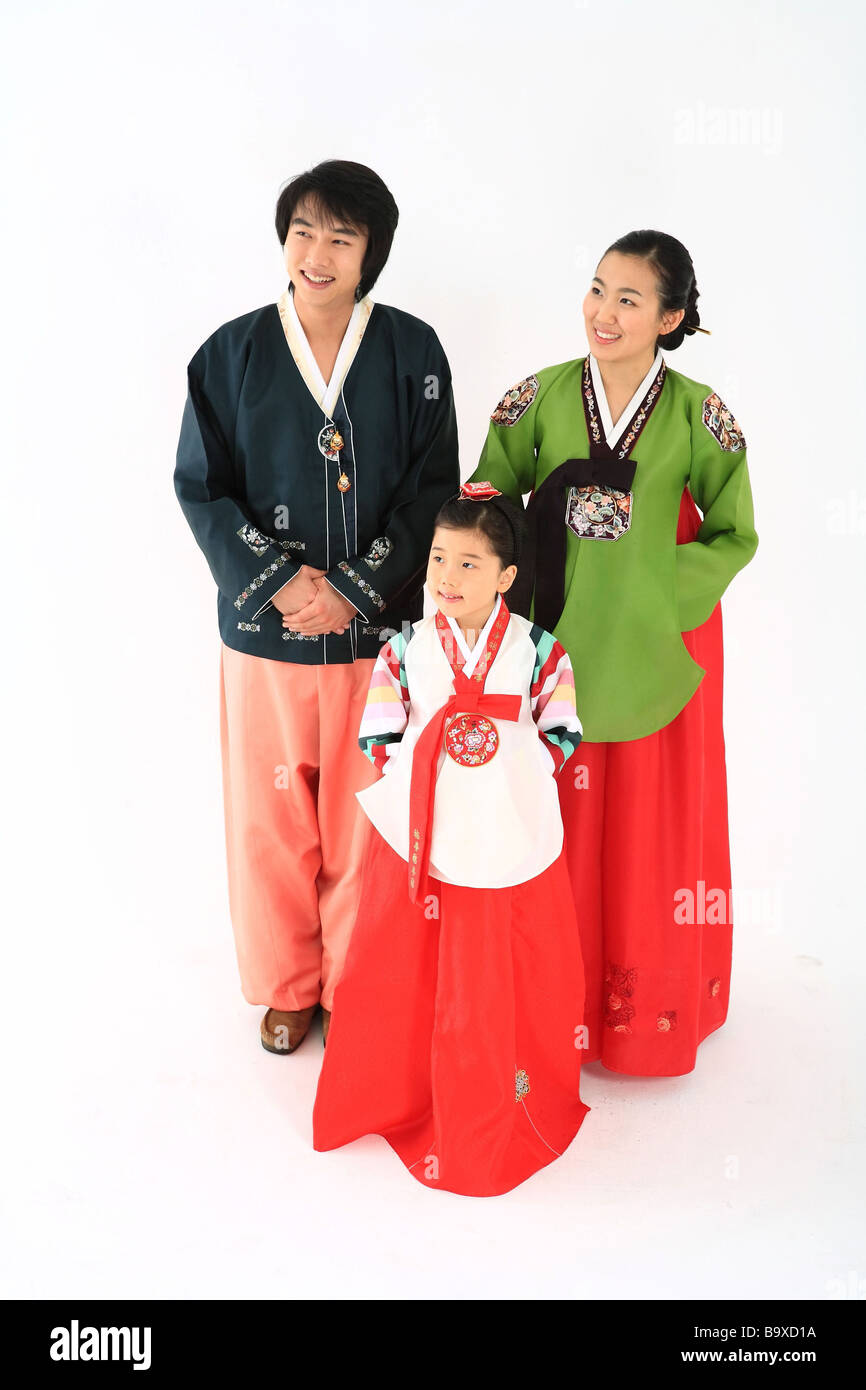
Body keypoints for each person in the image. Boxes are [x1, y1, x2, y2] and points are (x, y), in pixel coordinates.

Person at [174, 160, 459, 1055]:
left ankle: (357, 981)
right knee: (268, 822)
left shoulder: (414, 353)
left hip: (375, 639)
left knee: (362, 823)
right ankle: (288, 986)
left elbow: (432, 492)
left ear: (372, 250)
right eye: (304, 230)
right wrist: (283, 582)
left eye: (342, 235)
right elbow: (201, 487)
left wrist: (357, 589)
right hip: (264, 640)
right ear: (283, 237)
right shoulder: (231, 354)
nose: (318, 251)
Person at [470, 230, 758, 1077]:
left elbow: (735, 533)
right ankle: (551, 1003)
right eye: (597, 290)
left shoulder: (701, 413)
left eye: (630, 300)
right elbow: (486, 497)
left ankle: (648, 1014)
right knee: (557, 819)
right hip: (554, 639)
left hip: (659, 643)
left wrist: (649, 590)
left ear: (670, 318)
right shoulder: (539, 399)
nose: (604, 312)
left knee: (651, 830)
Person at [312, 483, 590, 1197]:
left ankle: (498, 1086)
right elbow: (379, 733)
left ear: (506, 577)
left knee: (498, 965)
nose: (446, 578)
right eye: (439, 559)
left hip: (505, 828)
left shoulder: (538, 650)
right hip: (424, 828)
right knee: (408, 961)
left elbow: (561, 733)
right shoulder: (405, 649)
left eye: (470, 564)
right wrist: (426, 772)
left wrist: (511, 768)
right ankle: (410, 1087)